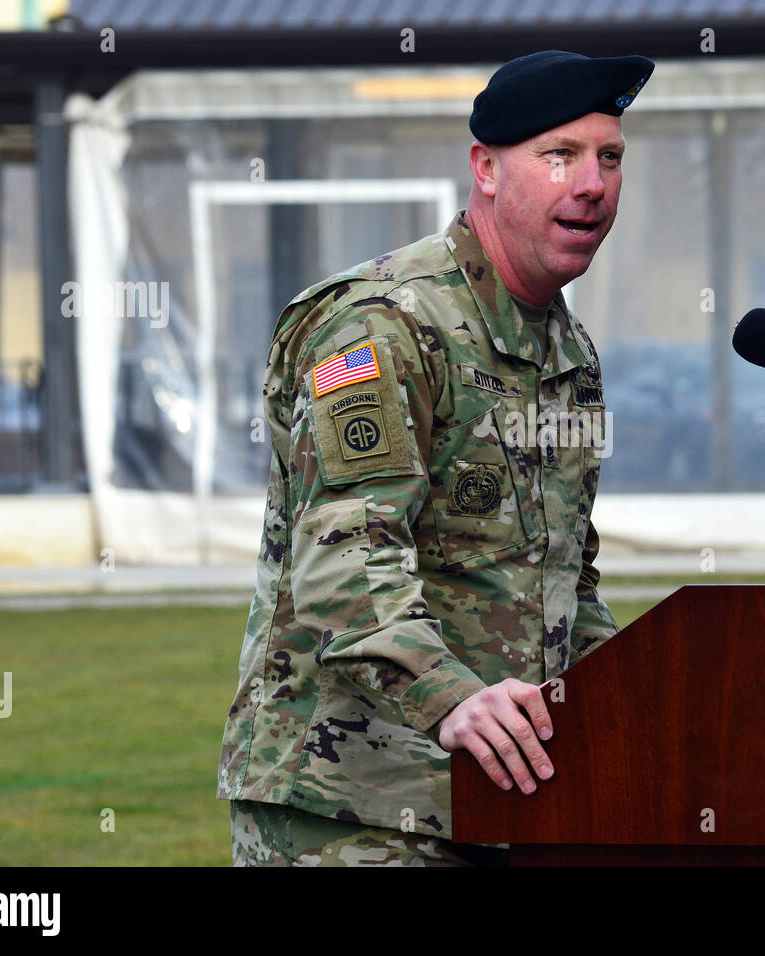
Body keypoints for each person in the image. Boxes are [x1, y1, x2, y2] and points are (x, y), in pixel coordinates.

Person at [218, 49, 654, 866]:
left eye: (610, 157)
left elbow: (564, 581)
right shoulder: (383, 325)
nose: (591, 184)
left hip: (506, 799)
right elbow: (346, 561)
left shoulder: (566, 351)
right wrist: (454, 698)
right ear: (485, 169)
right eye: (558, 155)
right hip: (353, 809)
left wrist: (650, 711)